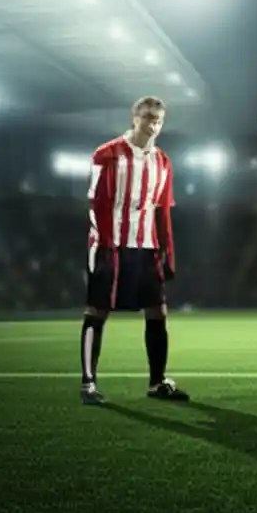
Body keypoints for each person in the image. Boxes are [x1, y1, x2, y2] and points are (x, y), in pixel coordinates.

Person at [79, 96, 188, 405]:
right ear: (134, 118)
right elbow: (96, 202)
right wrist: (105, 245)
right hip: (110, 245)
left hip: (146, 247)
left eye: (158, 120)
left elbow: (162, 209)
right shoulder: (107, 154)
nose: (153, 125)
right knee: (97, 311)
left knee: (158, 311)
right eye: (148, 118)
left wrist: (168, 251)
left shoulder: (163, 161)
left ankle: (157, 382)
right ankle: (88, 384)